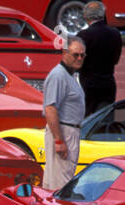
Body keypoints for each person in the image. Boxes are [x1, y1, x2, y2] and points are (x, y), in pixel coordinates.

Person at [43, 37, 86, 191]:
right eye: (76, 55)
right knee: (61, 183)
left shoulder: (71, 75)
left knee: (55, 180)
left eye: (82, 55)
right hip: (63, 130)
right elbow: (50, 108)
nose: (79, 58)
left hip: (69, 130)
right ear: (64, 53)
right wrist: (59, 140)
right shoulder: (58, 75)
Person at [76, 2, 120, 117]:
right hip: (107, 84)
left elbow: (77, 62)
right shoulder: (115, 33)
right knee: (104, 125)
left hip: (87, 86)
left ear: (85, 16)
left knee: (83, 124)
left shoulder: (83, 35)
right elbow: (116, 60)